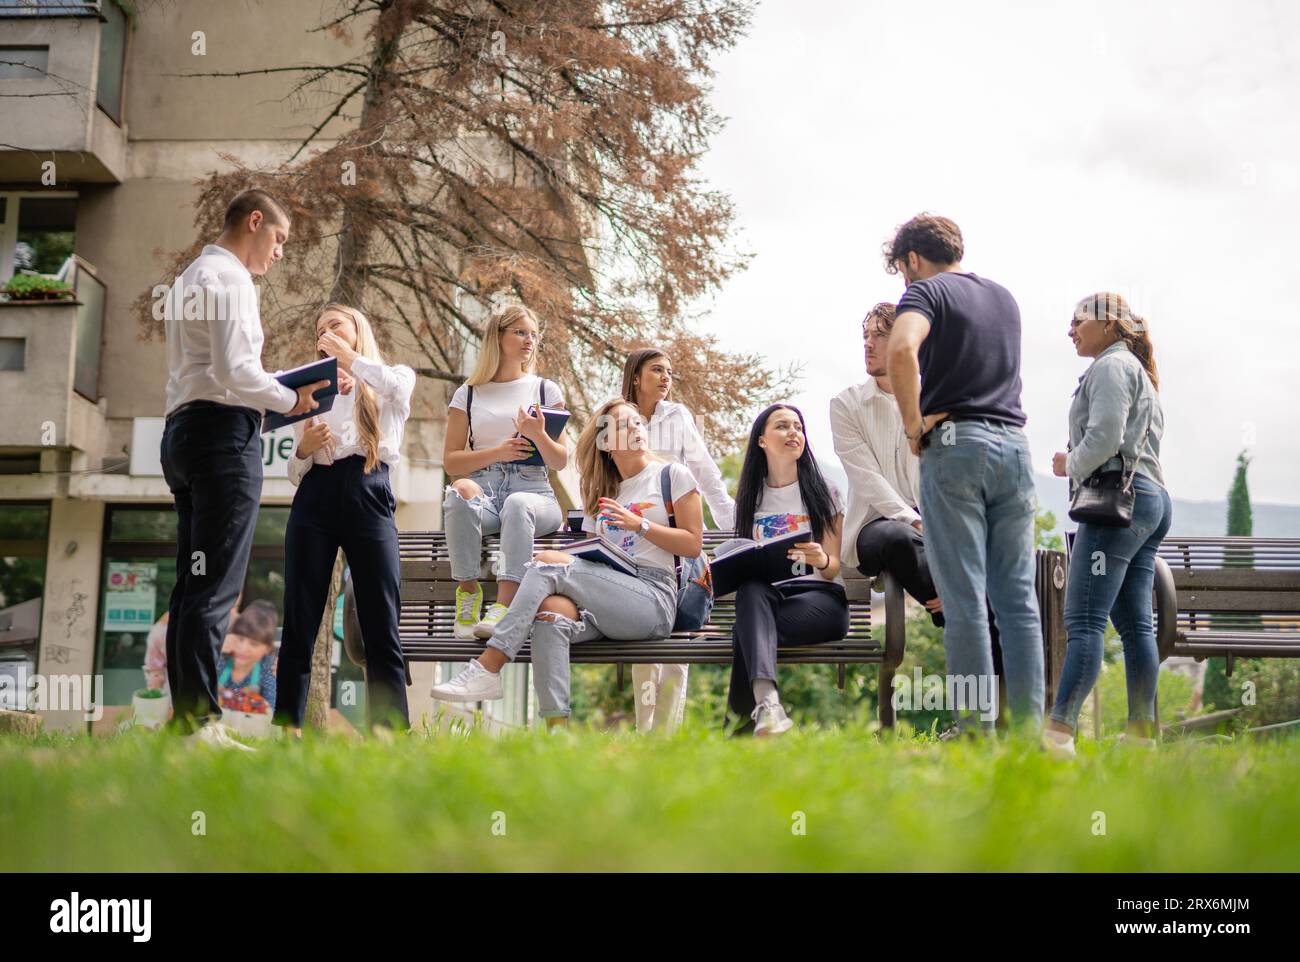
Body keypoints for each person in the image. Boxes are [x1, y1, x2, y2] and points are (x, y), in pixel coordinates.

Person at [160, 189, 327, 749]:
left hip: (182, 435)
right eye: (278, 239)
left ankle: (185, 722)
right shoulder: (231, 279)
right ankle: (201, 727)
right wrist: (292, 401)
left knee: (191, 586)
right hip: (223, 441)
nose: (279, 253)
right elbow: (235, 372)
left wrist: (277, 388)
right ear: (254, 222)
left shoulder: (190, 277)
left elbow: (216, 370)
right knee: (213, 590)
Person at [430, 398, 704, 726]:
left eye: (637, 422)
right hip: (606, 602)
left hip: (653, 600)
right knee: (551, 614)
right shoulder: (602, 492)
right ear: (606, 442)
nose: (635, 428)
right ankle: (556, 731)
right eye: (622, 425)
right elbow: (591, 554)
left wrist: (639, 525)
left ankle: (488, 667)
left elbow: (693, 543)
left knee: (547, 564)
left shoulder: (672, 476)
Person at [884, 213, 1044, 733]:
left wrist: (913, 426)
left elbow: (902, 349)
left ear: (912, 260)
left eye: (902, 270)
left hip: (956, 447)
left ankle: (974, 730)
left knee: (964, 599)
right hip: (1016, 450)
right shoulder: (1003, 297)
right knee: (1017, 599)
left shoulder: (926, 293)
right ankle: (1027, 733)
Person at [274, 303, 414, 734]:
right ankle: (287, 728)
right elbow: (296, 472)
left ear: (357, 330)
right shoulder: (311, 389)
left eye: (335, 324)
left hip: (369, 489)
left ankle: (389, 731)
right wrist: (304, 448)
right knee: (301, 615)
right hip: (316, 494)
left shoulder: (395, 376)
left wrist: (352, 363)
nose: (326, 332)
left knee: (380, 617)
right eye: (320, 329)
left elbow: (395, 387)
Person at [1044, 293, 1171, 756]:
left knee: (1083, 620)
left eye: (1077, 320)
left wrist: (1069, 463)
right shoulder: (1134, 370)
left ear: (1109, 324)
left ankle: (1058, 735)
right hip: (1151, 501)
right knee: (1136, 626)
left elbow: (1106, 435)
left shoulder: (1111, 367)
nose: (1070, 330)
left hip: (1116, 505)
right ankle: (1141, 738)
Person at [622, 347, 737, 732]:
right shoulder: (616, 418)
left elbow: (705, 473)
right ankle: (645, 731)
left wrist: (731, 522)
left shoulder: (679, 416)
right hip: (635, 544)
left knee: (678, 642)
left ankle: (666, 735)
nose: (666, 377)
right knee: (644, 642)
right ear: (636, 376)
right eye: (657, 370)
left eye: (669, 371)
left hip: (679, 541)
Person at [442, 301, 567, 641]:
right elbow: (451, 462)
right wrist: (499, 451)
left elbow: (559, 461)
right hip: (487, 493)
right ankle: (468, 593)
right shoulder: (467, 394)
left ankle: (504, 606)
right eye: (521, 333)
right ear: (498, 337)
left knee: (519, 504)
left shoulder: (545, 390)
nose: (530, 340)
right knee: (458, 494)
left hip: (535, 493)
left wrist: (537, 433)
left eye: (534, 335)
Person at [727, 403, 849, 736]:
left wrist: (821, 558)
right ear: (762, 441)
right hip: (770, 601)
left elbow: (833, 567)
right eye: (782, 426)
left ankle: (738, 733)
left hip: (820, 602)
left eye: (798, 426)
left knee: (746, 631)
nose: (793, 433)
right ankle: (769, 708)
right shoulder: (751, 500)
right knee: (751, 590)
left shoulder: (825, 492)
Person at [830, 302, 943, 627]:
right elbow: (867, 478)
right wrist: (914, 521)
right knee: (898, 536)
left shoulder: (935, 400)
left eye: (879, 335)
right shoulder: (846, 405)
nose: (868, 343)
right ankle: (951, 598)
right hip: (875, 528)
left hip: (931, 523)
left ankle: (948, 605)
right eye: (866, 335)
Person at [217, 599, 279, 715]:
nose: (243, 648)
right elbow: (199, 693)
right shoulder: (221, 658)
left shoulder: (267, 670)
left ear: (267, 649)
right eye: (240, 639)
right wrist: (218, 652)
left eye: (254, 644)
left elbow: (272, 710)